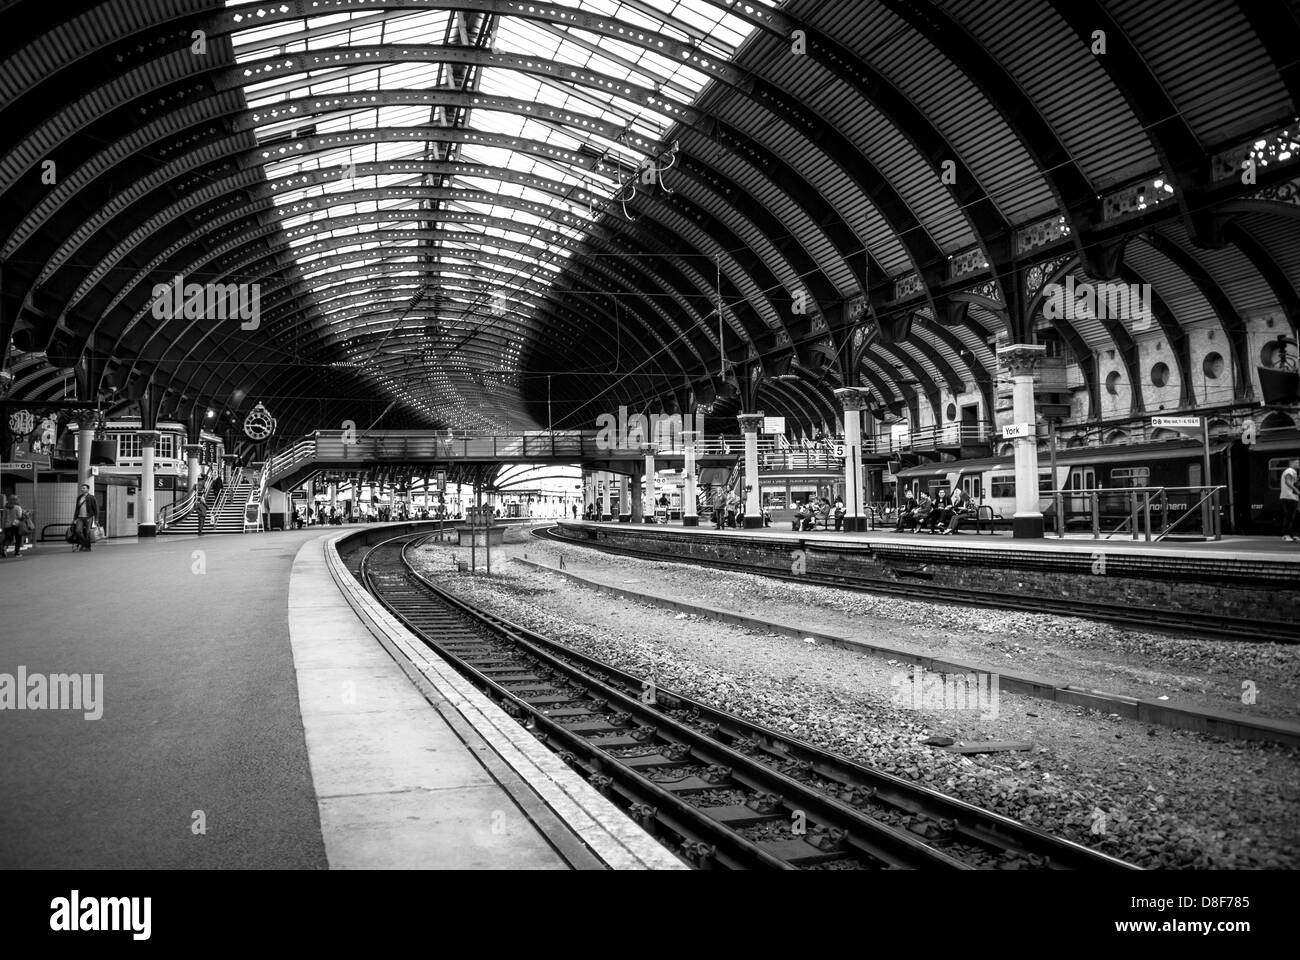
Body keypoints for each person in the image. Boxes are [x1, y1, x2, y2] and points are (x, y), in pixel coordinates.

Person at [73, 482, 98, 551]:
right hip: (80, 517)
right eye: (82, 488)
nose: (82, 489)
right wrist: (74, 518)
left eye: (84, 488)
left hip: (88, 517)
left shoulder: (91, 497)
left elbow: (95, 509)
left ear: (88, 489)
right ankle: (85, 544)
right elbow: (77, 508)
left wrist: (96, 519)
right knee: (78, 531)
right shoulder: (79, 497)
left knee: (87, 532)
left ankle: (87, 547)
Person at [1282, 458, 1299, 542]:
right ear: (1292, 463)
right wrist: (1297, 491)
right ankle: (1286, 535)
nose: (1299, 464)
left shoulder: (1294, 472)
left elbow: (1294, 483)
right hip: (1288, 497)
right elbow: (1287, 482)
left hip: (1293, 497)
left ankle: (1294, 535)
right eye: (1297, 462)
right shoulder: (1289, 471)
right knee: (1289, 516)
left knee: (1293, 517)